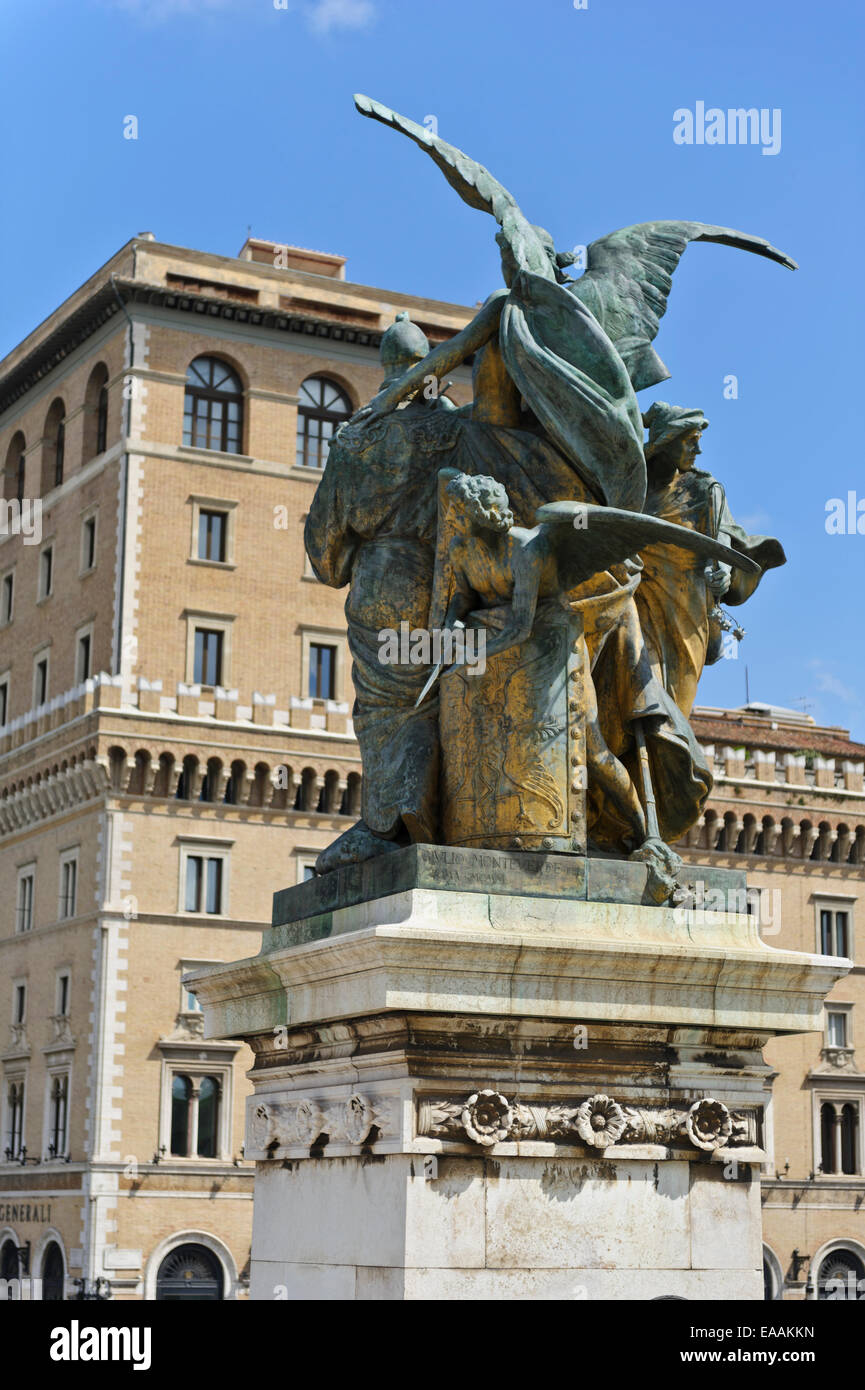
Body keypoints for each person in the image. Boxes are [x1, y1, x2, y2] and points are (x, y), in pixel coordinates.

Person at [636, 403, 786, 718]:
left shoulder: (705, 488)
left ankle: (675, 758)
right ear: (667, 439)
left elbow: (723, 538)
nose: (698, 449)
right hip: (638, 603)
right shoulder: (634, 487)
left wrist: (726, 574)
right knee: (639, 695)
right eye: (690, 440)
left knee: (677, 705)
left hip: (688, 610)